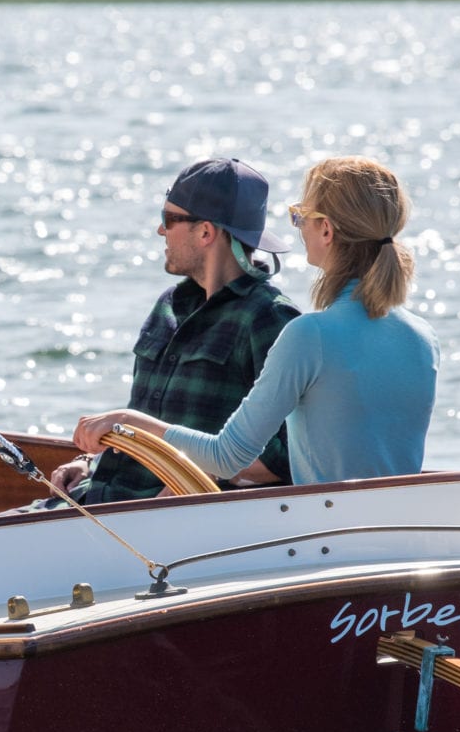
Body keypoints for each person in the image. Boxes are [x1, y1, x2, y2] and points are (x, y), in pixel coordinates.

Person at [73, 156, 437, 488]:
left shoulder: (309, 335)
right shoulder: (424, 337)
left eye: (300, 217)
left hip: (322, 537)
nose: (298, 228)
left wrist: (129, 423)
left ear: (326, 230)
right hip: (395, 534)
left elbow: (227, 457)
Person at [47, 157, 300, 504]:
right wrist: (91, 462)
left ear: (206, 232)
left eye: (168, 219)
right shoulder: (168, 305)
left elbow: (287, 455)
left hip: (157, 521)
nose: (160, 231)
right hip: (98, 497)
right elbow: (152, 418)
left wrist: (196, 478)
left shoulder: (269, 318)